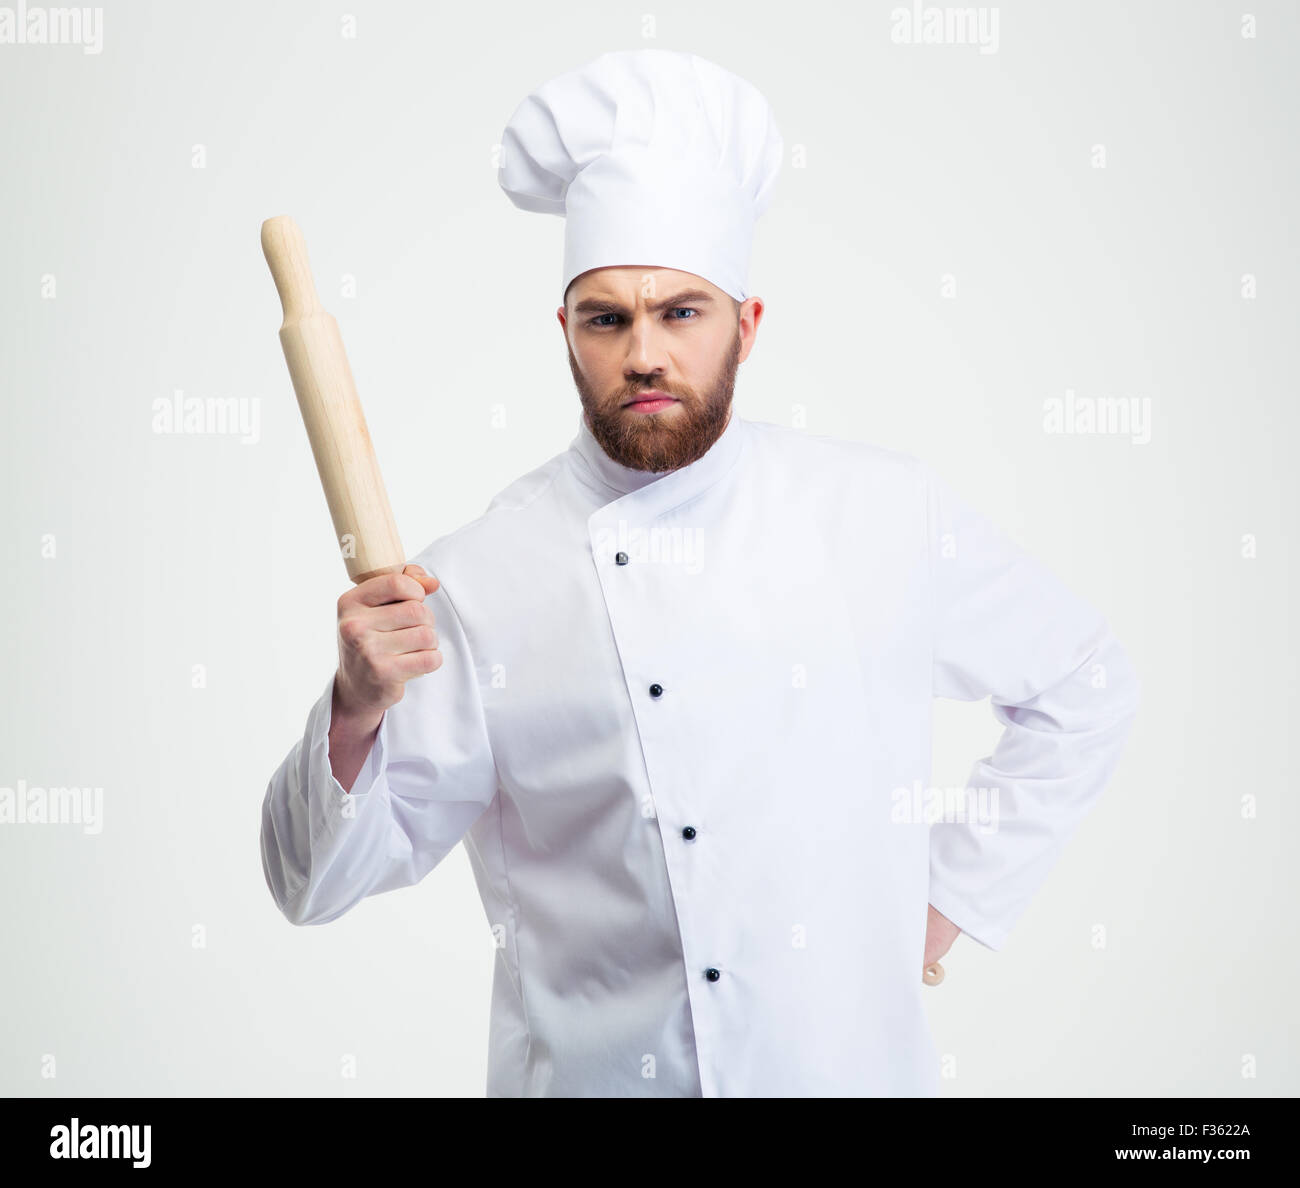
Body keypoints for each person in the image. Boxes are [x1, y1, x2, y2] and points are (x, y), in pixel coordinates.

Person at [260, 48, 1140, 1097]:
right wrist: (355, 712)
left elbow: (1082, 682)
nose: (644, 354)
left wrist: (942, 898)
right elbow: (309, 886)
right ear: (565, 335)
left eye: (682, 312)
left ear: (746, 327)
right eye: (608, 317)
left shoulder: (885, 514)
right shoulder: (475, 580)